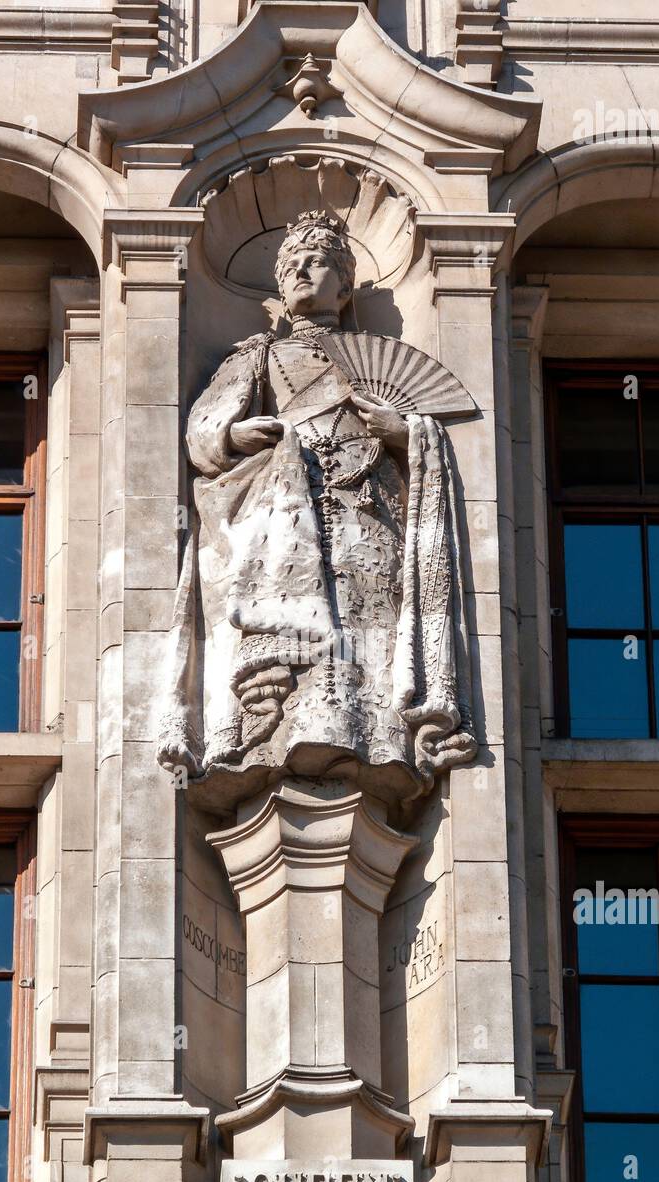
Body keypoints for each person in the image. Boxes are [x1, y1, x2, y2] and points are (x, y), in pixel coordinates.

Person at [159, 211, 475, 812]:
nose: (303, 271)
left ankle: (369, 737)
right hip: (289, 517)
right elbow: (203, 432)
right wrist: (236, 433)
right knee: (298, 640)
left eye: (319, 261)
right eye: (292, 264)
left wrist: (405, 431)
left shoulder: (377, 356)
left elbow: (428, 440)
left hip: (367, 516)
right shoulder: (258, 356)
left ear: (346, 283)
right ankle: (276, 734)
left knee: (362, 640)